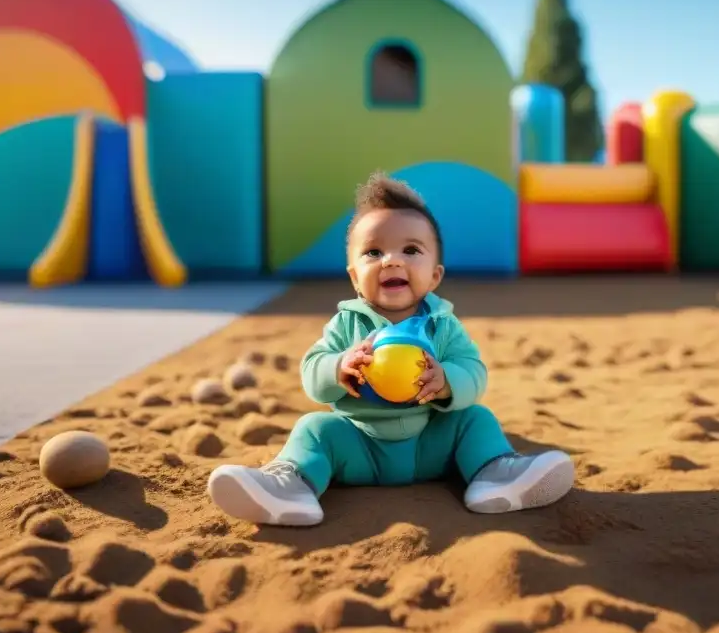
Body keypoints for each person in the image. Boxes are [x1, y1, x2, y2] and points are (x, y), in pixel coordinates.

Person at [207, 172, 575, 526]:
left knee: (475, 420)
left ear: (434, 275)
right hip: (360, 445)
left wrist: (447, 381)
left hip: (431, 445)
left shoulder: (443, 324)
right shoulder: (347, 325)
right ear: (354, 277)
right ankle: (291, 485)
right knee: (314, 428)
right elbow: (311, 372)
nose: (392, 260)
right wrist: (338, 367)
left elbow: (474, 371)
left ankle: (495, 473)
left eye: (411, 250)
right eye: (373, 252)